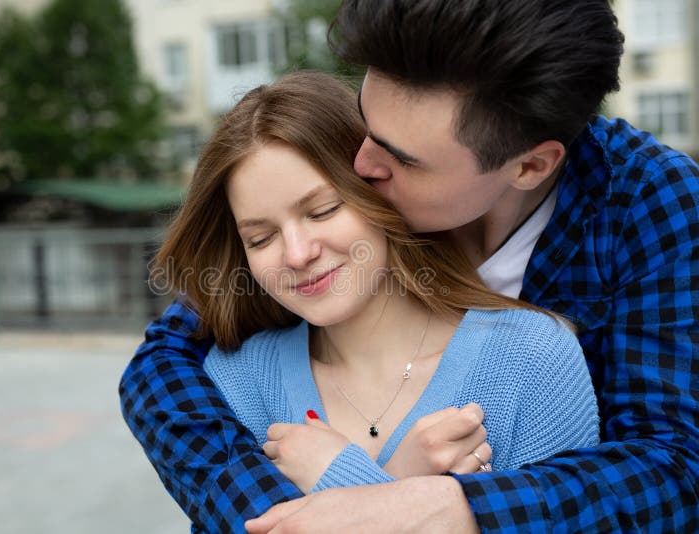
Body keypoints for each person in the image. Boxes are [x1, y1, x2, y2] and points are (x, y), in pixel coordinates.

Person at [120, 1, 699, 532]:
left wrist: (452, 507)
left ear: (529, 167)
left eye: (399, 159)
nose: (361, 162)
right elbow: (164, 360)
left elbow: (674, 467)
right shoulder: (275, 325)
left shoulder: (647, 204)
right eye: (366, 123)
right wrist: (321, 504)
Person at [144, 71, 597, 524]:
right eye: (261, 239)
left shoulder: (532, 358)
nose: (298, 254)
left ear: (378, 188)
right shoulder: (238, 382)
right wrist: (398, 480)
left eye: (323, 211)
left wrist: (338, 478)